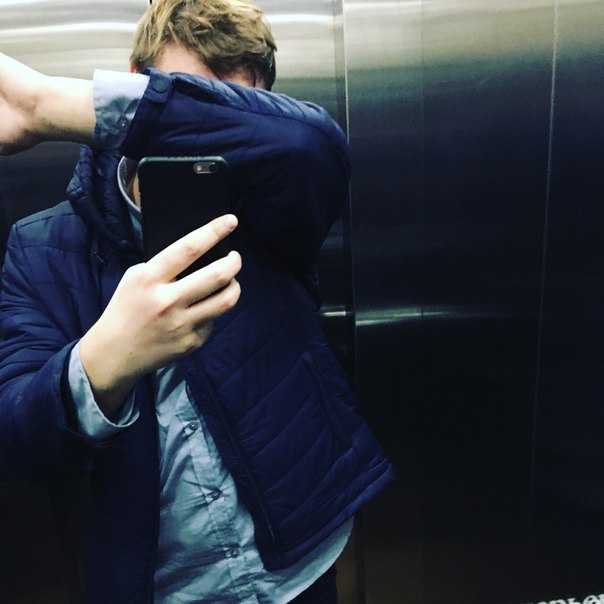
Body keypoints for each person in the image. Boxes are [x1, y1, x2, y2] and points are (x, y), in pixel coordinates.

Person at [0, 0, 394, 602]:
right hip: (164, 588)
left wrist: (42, 104)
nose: (199, 134)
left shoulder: (273, 212)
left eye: (225, 113)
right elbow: (18, 437)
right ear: (135, 83)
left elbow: (311, 141)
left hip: (299, 567)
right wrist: (102, 362)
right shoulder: (39, 246)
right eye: (184, 98)